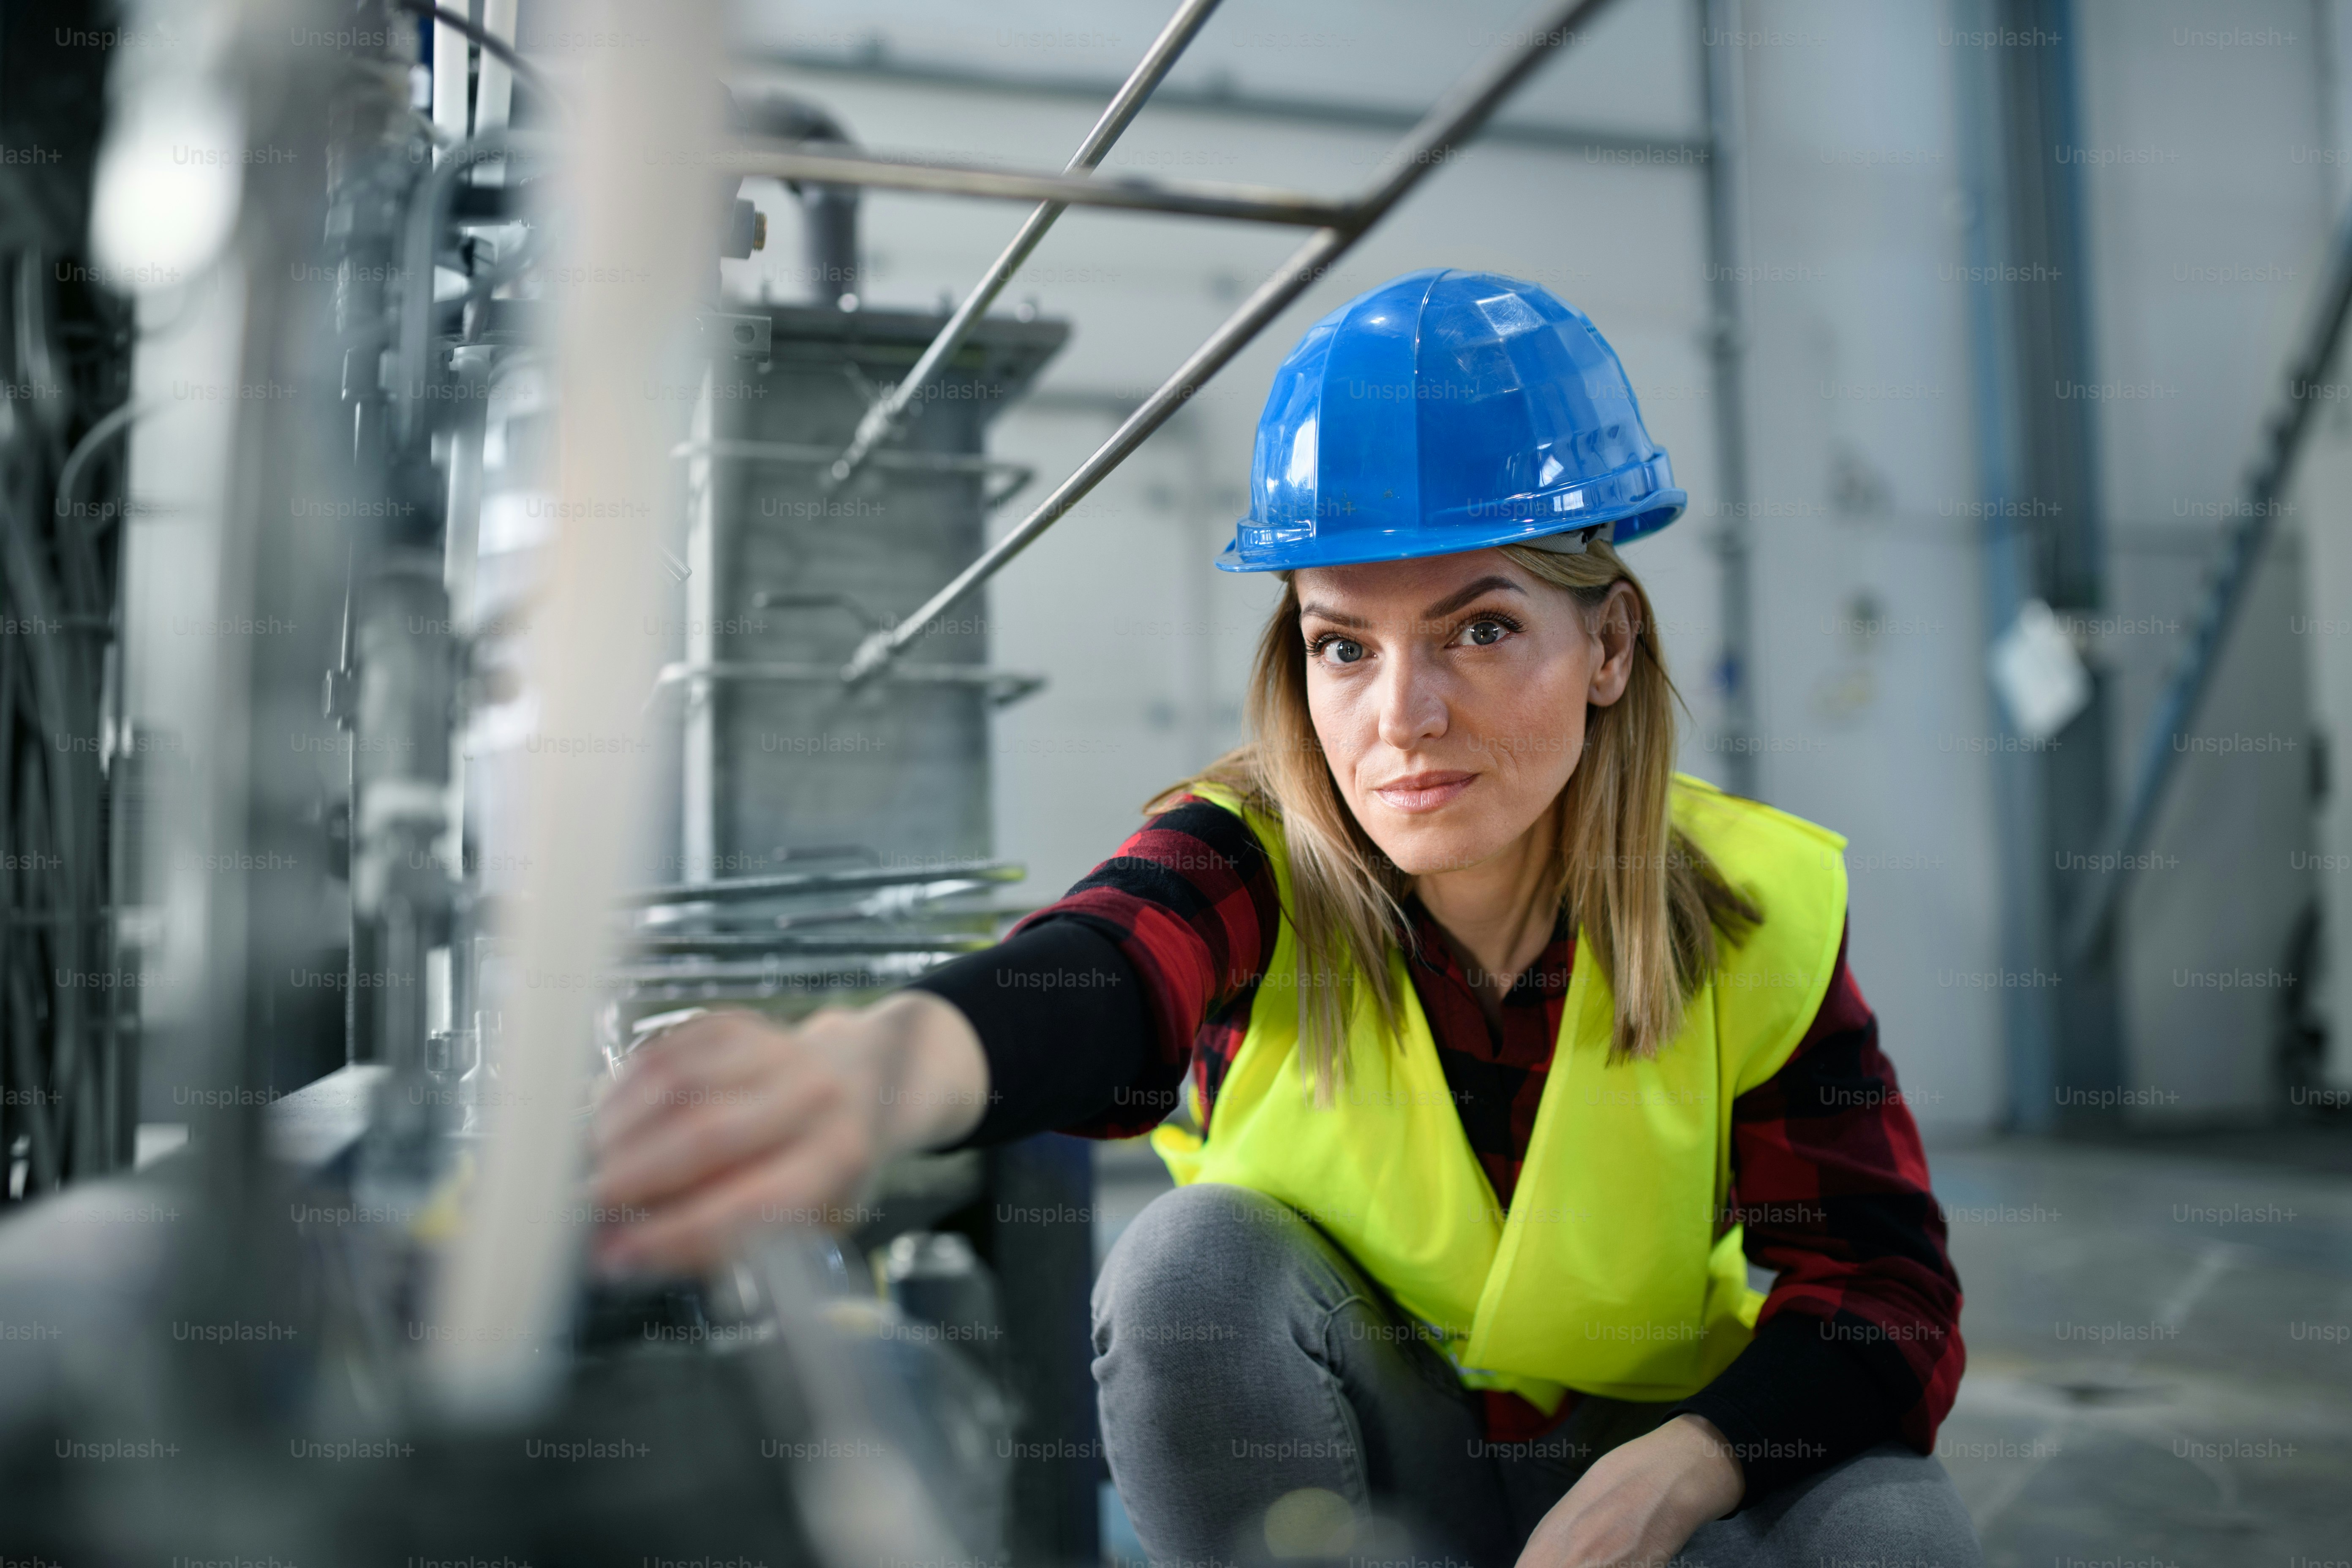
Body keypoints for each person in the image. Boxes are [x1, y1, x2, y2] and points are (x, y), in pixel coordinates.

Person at [590, 270, 1980, 1568]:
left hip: (1644, 1491)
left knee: (1891, 1523)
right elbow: (1102, 972)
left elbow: (1882, 1291)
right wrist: (874, 1068)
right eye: (1344, 646)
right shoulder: (1247, 859)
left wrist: (1694, 1461)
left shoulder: (1749, 915)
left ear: (1608, 645)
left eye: (1480, 630)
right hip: (1362, 1483)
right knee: (1189, 1269)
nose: (1403, 720)